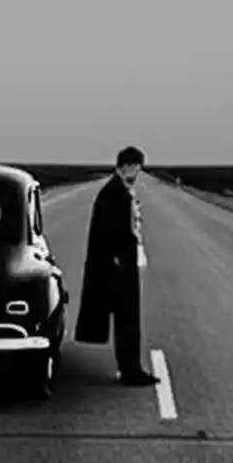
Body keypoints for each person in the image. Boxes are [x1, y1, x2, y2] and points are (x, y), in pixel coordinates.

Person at [74, 145, 159, 386]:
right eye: (136, 168)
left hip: (120, 265)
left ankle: (131, 368)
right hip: (117, 269)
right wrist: (119, 262)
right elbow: (109, 232)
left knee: (127, 320)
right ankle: (131, 371)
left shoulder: (118, 190)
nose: (138, 173)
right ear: (128, 166)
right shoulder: (114, 193)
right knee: (127, 321)